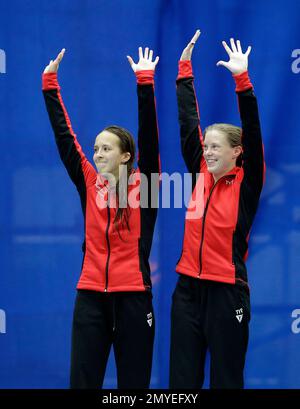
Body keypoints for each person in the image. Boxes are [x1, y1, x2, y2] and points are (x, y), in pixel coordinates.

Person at [42, 46, 160, 389]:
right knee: (82, 383)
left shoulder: (147, 186)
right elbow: (66, 139)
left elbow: (150, 141)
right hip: (90, 298)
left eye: (105, 148)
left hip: (134, 301)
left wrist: (145, 82)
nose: (97, 153)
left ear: (126, 156)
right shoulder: (89, 182)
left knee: (133, 388)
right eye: (95, 148)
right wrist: (50, 85)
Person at [169, 31, 265, 389]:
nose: (206, 152)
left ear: (236, 152)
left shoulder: (247, 181)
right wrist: (183, 70)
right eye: (205, 146)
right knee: (182, 383)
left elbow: (253, 133)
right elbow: (187, 123)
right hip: (187, 291)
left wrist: (242, 81)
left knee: (226, 380)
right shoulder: (199, 173)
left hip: (227, 293)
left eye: (214, 147)